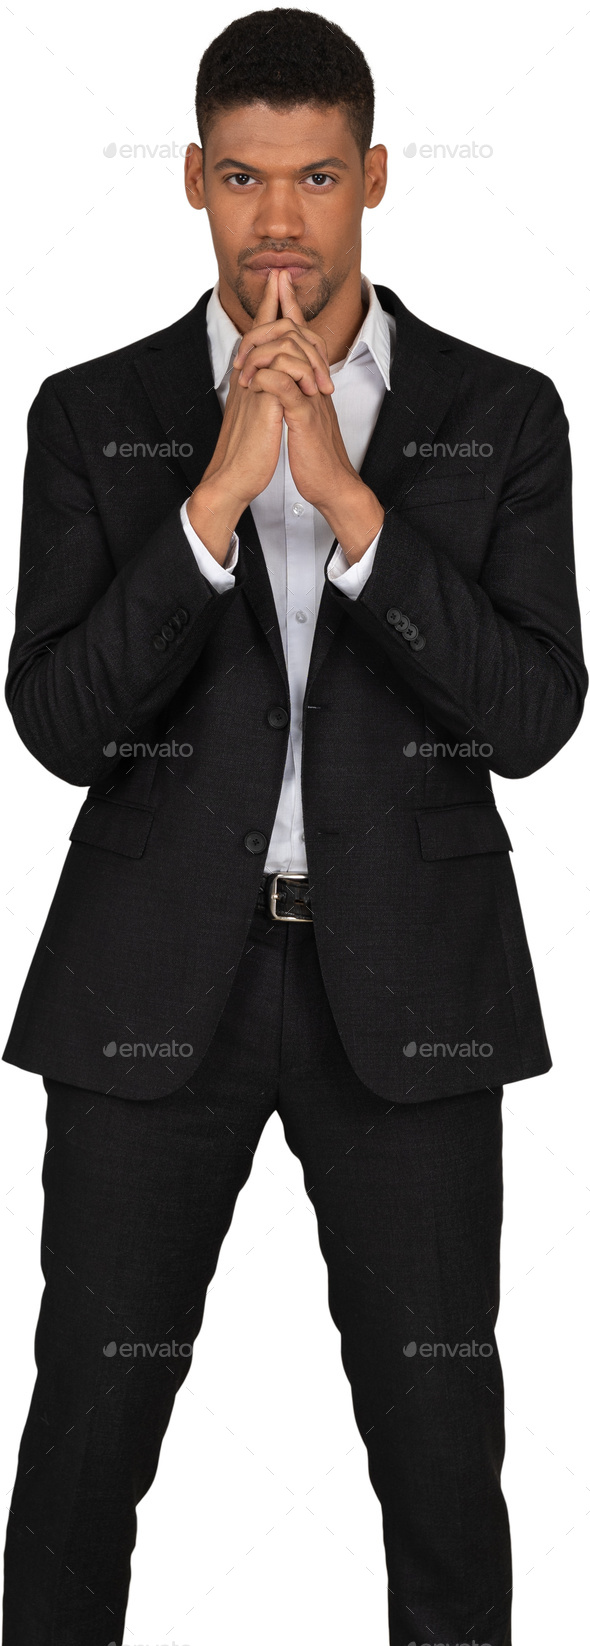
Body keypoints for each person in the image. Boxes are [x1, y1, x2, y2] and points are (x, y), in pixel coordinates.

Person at [2, 9, 586, 1644]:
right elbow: (56, 722)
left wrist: (346, 505)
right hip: (146, 1000)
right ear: (194, 179)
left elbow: (535, 717)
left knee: (441, 1460)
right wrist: (209, 504)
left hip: (412, 994)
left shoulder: (504, 412)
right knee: (83, 1446)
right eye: (245, 177)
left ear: (373, 177)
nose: (279, 222)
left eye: (317, 176)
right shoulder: (89, 412)